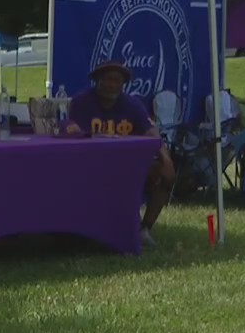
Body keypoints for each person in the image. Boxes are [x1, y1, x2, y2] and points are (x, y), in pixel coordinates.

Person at [64, 60, 173, 246]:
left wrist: (165, 157)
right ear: (97, 80)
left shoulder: (132, 105)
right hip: (91, 166)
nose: (112, 85)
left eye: (117, 81)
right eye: (107, 79)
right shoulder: (81, 103)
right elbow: (73, 134)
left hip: (127, 167)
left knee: (164, 174)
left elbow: (151, 131)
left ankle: (144, 229)